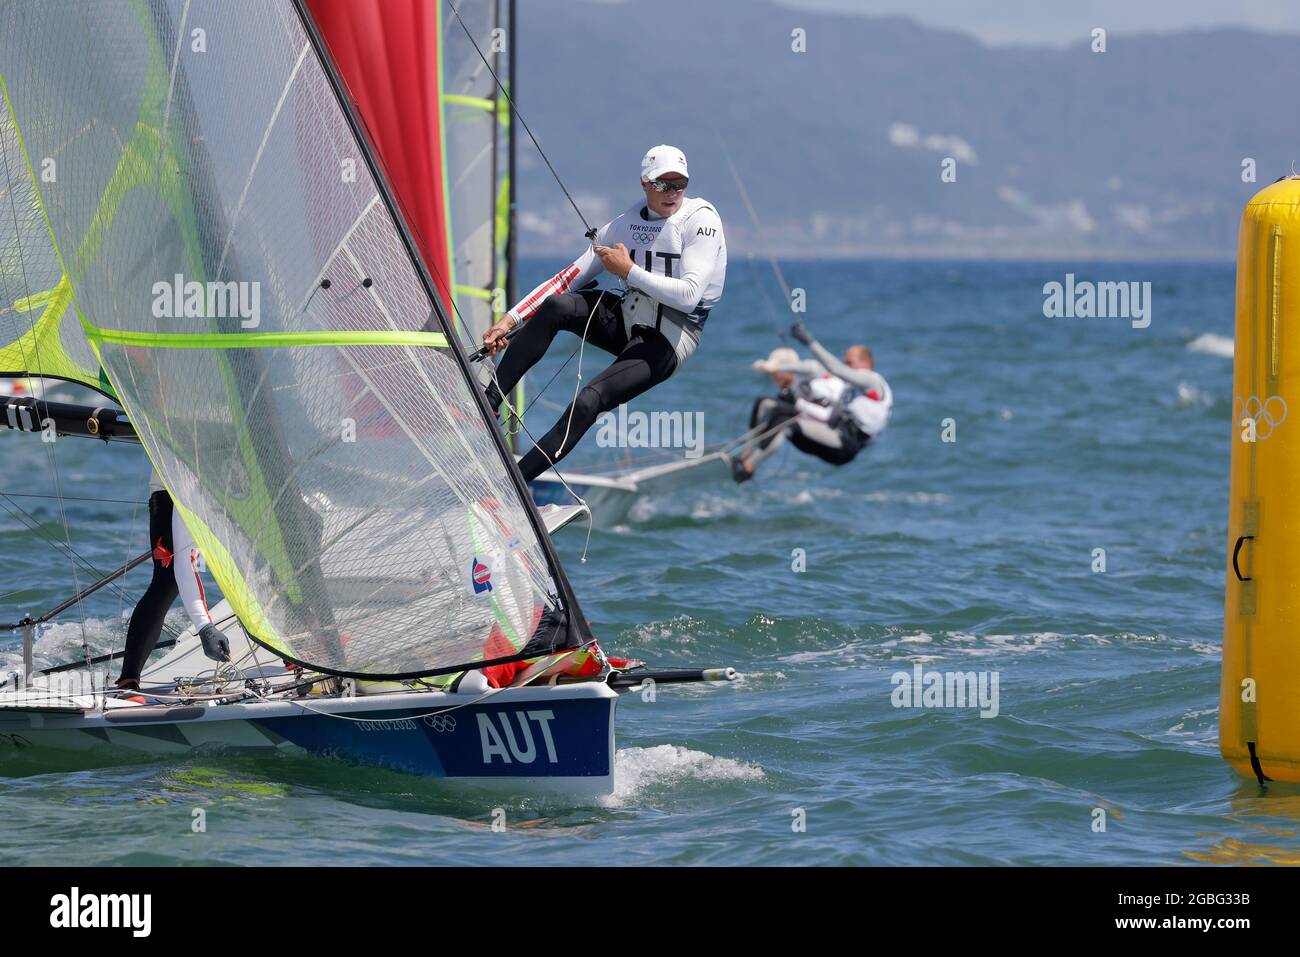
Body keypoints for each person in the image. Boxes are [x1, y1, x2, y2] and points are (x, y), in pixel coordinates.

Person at [480, 145, 727, 481]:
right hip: (628, 318)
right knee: (556, 307)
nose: (672, 193)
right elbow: (567, 279)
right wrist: (511, 320)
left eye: (679, 184)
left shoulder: (701, 220)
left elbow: (688, 295)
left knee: (588, 402)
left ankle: (512, 486)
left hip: (669, 339)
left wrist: (628, 271)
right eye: (662, 185)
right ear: (644, 183)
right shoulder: (624, 224)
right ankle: (489, 402)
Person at [733, 321, 892, 481]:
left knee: (785, 423)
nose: (846, 366)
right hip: (833, 439)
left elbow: (834, 369)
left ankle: (747, 469)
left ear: (867, 363)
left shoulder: (873, 381)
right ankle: (745, 457)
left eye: (850, 362)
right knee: (775, 412)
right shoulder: (849, 391)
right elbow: (829, 417)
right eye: (845, 362)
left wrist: (810, 343)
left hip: (845, 445)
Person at [116, 470, 231, 691]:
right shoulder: (191, 488)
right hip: (173, 490)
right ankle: (129, 680)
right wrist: (204, 626)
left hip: (220, 484)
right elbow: (185, 565)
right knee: (167, 581)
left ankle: (295, 653)